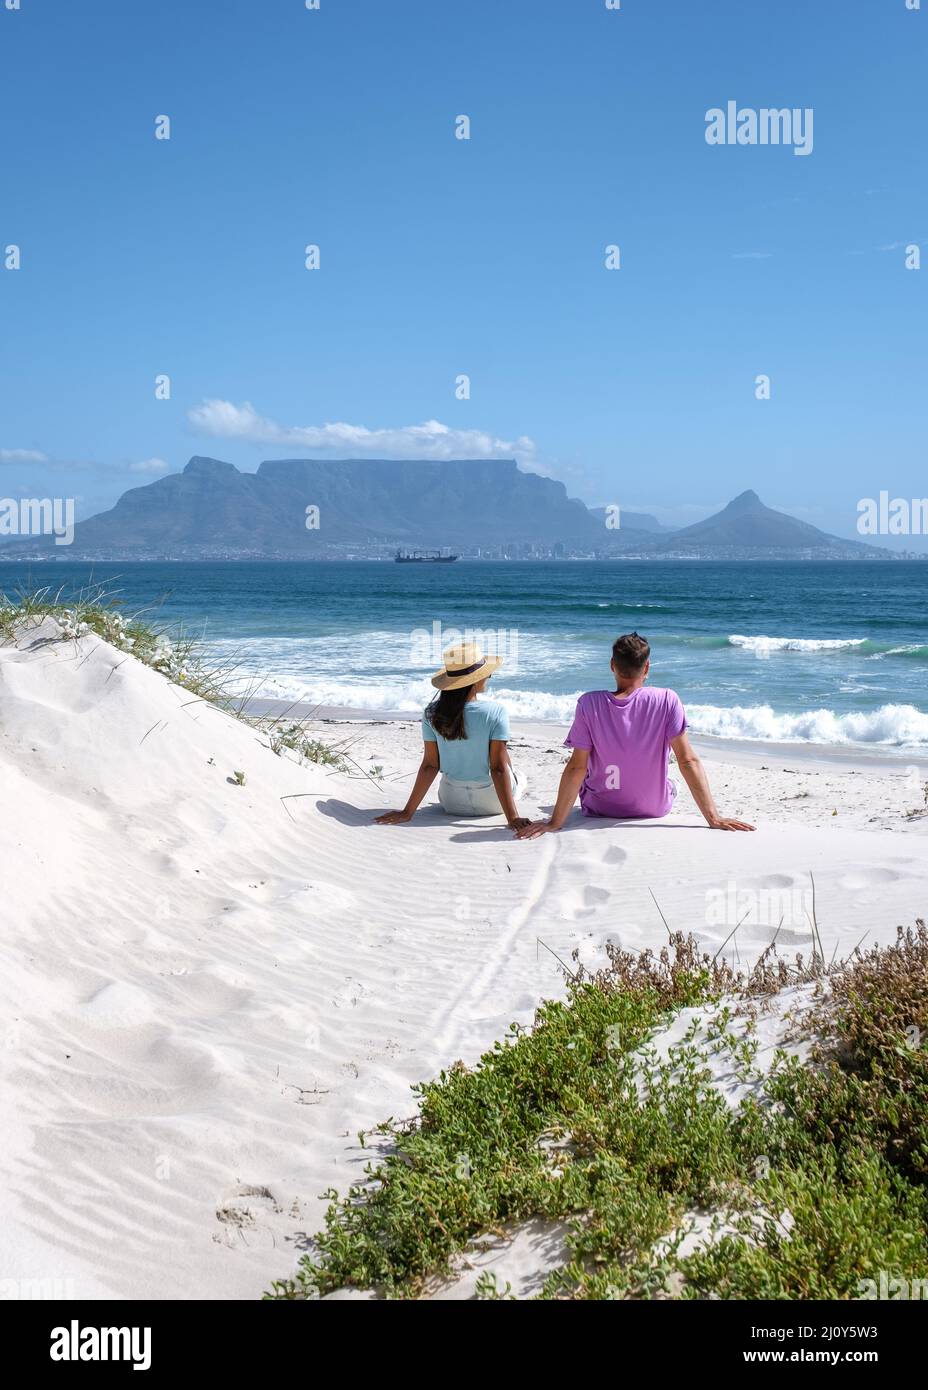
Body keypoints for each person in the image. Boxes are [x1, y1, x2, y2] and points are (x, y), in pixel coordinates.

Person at [515, 632, 754, 838]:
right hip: (654, 808)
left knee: (590, 776)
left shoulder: (589, 703)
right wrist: (714, 818)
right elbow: (687, 760)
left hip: (600, 806)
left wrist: (555, 822)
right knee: (672, 784)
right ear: (647, 667)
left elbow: (577, 767)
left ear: (612, 665)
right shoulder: (667, 700)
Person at [375, 641, 529, 828]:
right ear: (476, 679)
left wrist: (408, 812)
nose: (490, 675)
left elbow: (430, 765)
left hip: (451, 801)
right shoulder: (496, 712)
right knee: (514, 771)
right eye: (487, 672)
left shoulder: (432, 713)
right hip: (493, 802)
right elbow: (498, 768)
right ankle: (513, 796)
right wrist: (512, 818)